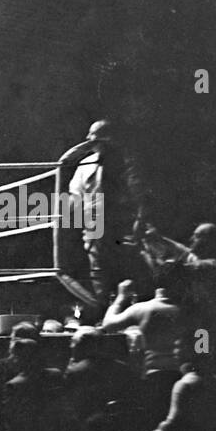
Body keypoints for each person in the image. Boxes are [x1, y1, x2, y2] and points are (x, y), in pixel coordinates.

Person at [56, 120, 141, 312]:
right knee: (98, 271)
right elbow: (75, 196)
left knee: (127, 268)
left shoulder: (127, 162)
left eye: (93, 134)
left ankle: (127, 314)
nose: (88, 139)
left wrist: (138, 222)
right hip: (94, 225)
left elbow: (138, 194)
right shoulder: (85, 164)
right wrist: (64, 220)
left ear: (108, 138)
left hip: (122, 225)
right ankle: (104, 313)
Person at [100, 276, 184, 427]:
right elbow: (202, 345)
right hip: (182, 376)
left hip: (153, 378)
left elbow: (108, 324)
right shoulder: (191, 311)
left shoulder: (142, 308)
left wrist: (120, 297)